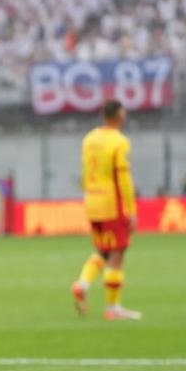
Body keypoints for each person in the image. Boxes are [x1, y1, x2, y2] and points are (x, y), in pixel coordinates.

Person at [71, 100, 142, 320]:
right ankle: (113, 308)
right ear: (119, 115)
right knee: (117, 254)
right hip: (112, 204)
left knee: (102, 251)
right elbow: (124, 178)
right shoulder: (120, 142)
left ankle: (83, 283)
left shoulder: (89, 138)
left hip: (92, 201)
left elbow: (84, 172)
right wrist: (131, 209)